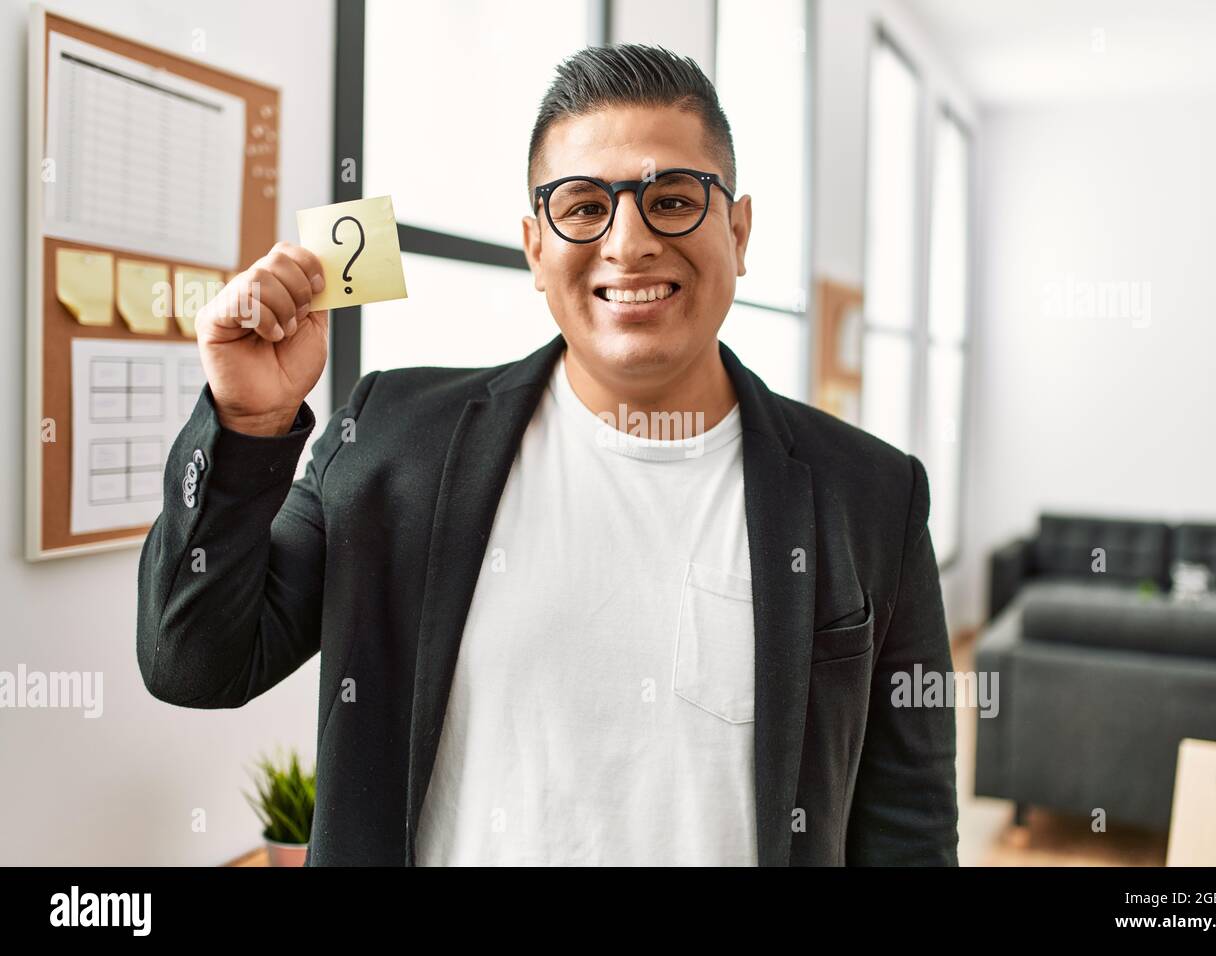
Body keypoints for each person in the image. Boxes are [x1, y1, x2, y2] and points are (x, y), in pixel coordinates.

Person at [137, 43, 958, 866]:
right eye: (583, 206)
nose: (629, 242)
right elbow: (194, 661)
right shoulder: (389, 437)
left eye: (673, 199)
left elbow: (910, 829)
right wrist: (246, 423)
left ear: (738, 232)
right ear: (536, 246)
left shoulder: (874, 496)